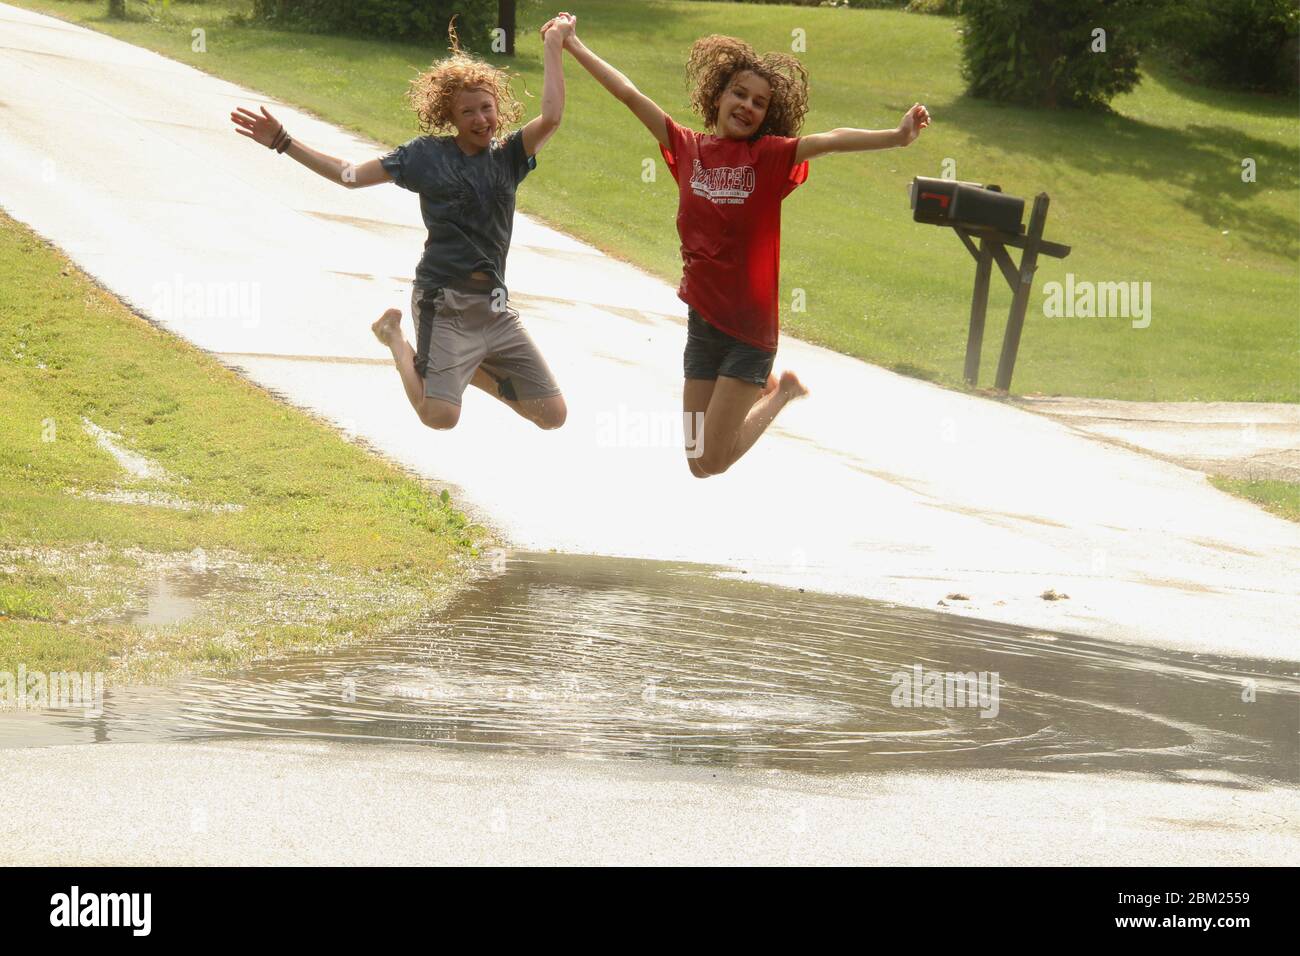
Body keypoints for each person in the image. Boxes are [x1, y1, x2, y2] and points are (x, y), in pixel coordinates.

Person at [556, 21, 930, 476]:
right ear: (718, 97)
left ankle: (781, 392)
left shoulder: (769, 157)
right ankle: (771, 388)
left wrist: (896, 136)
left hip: (750, 333)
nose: (747, 106)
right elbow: (630, 95)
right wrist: (573, 44)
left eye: (759, 102)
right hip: (703, 324)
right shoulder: (687, 148)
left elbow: (829, 141)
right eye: (739, 93)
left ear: (767, 116)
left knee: (712, 460)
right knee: (696, 461)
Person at [230, 16, 576, 431]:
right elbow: (350, 175)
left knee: (551, 415)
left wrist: (554, 44)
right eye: (467, 112)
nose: (481, 119)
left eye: (487, 108)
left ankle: (463, 366)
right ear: (449, 116)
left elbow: (552, 117)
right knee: (440, 416)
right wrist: (285, 142)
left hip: (496, 309)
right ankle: (394, 338)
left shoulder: (509, 156)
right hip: (443, 302)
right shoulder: (426, 157)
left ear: (498, 108)